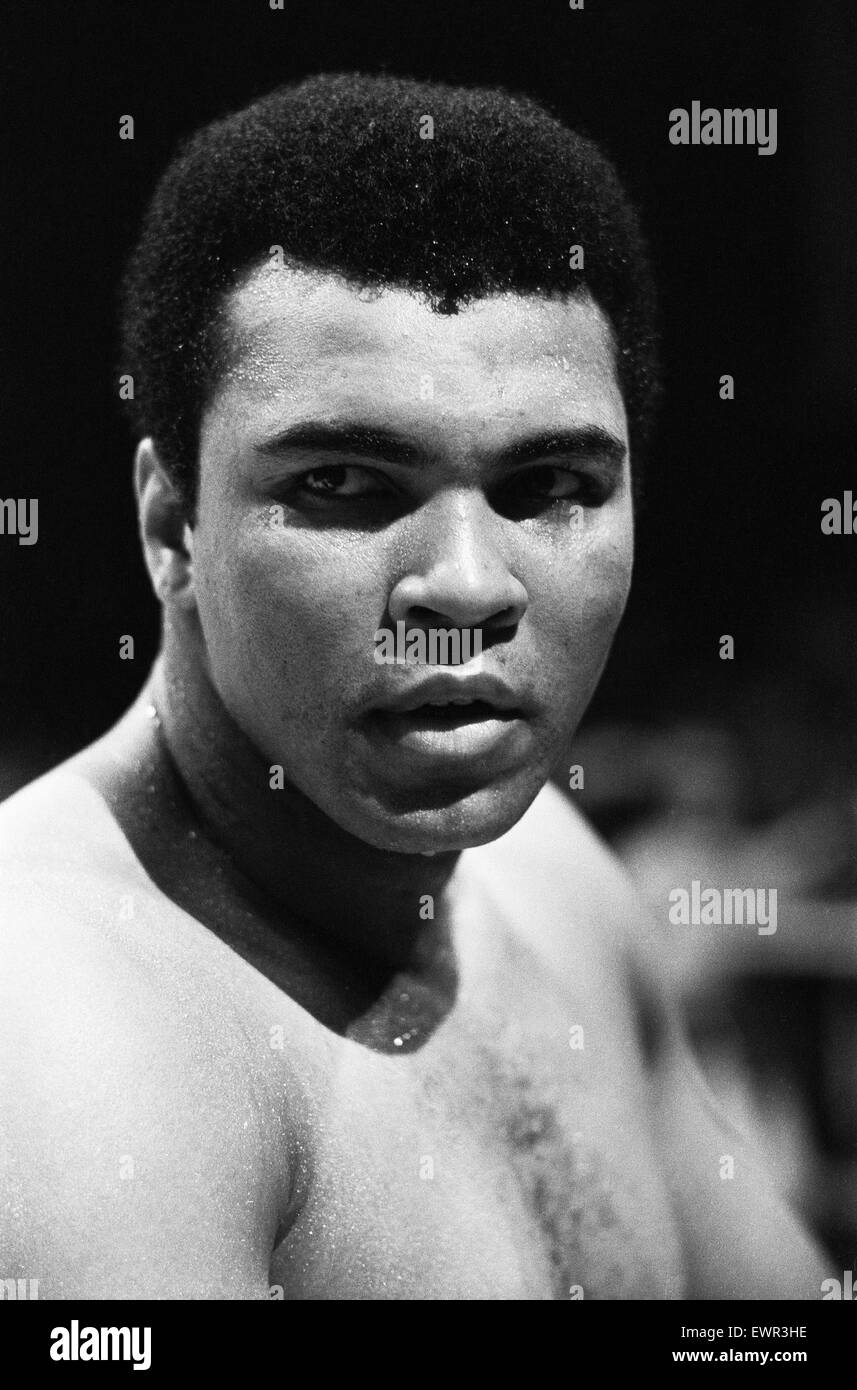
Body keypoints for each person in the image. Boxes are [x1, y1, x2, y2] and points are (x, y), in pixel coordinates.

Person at [0, 73, 826, 1299]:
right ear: (171, 524)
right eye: (343, 482)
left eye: (548, 483)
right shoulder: (67, 1044)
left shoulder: (548, 875)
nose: (461, 587)